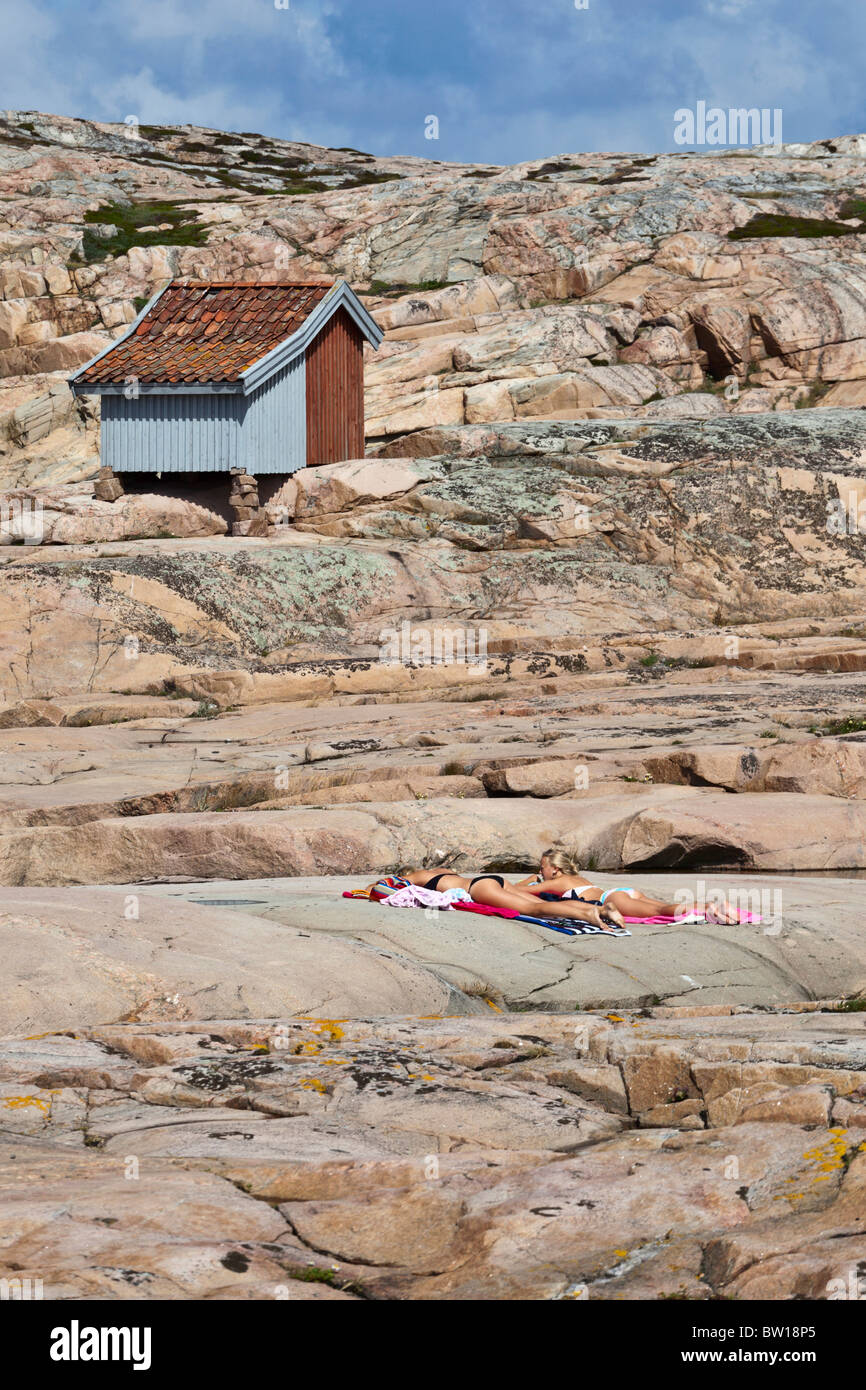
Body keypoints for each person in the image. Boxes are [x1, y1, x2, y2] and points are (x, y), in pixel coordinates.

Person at [513, 845, 741, 924]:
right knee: (662, 906)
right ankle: (709, 905)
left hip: (612, 899)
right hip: (622, 892)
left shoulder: (557, 882)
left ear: (554, 869)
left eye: (542, 867)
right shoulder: (577, 878)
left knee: (659, 911)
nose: (540, 872)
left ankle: (711, 907)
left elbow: (517, 891)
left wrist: (531, 879)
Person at [400, 867, 625, 933]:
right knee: (534, 902)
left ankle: (587, 914)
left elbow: (379, 887)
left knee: (532, 908)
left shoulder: (417, 877)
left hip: (479, 888)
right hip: (492, 880)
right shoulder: (442, 870)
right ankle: (603, 909)